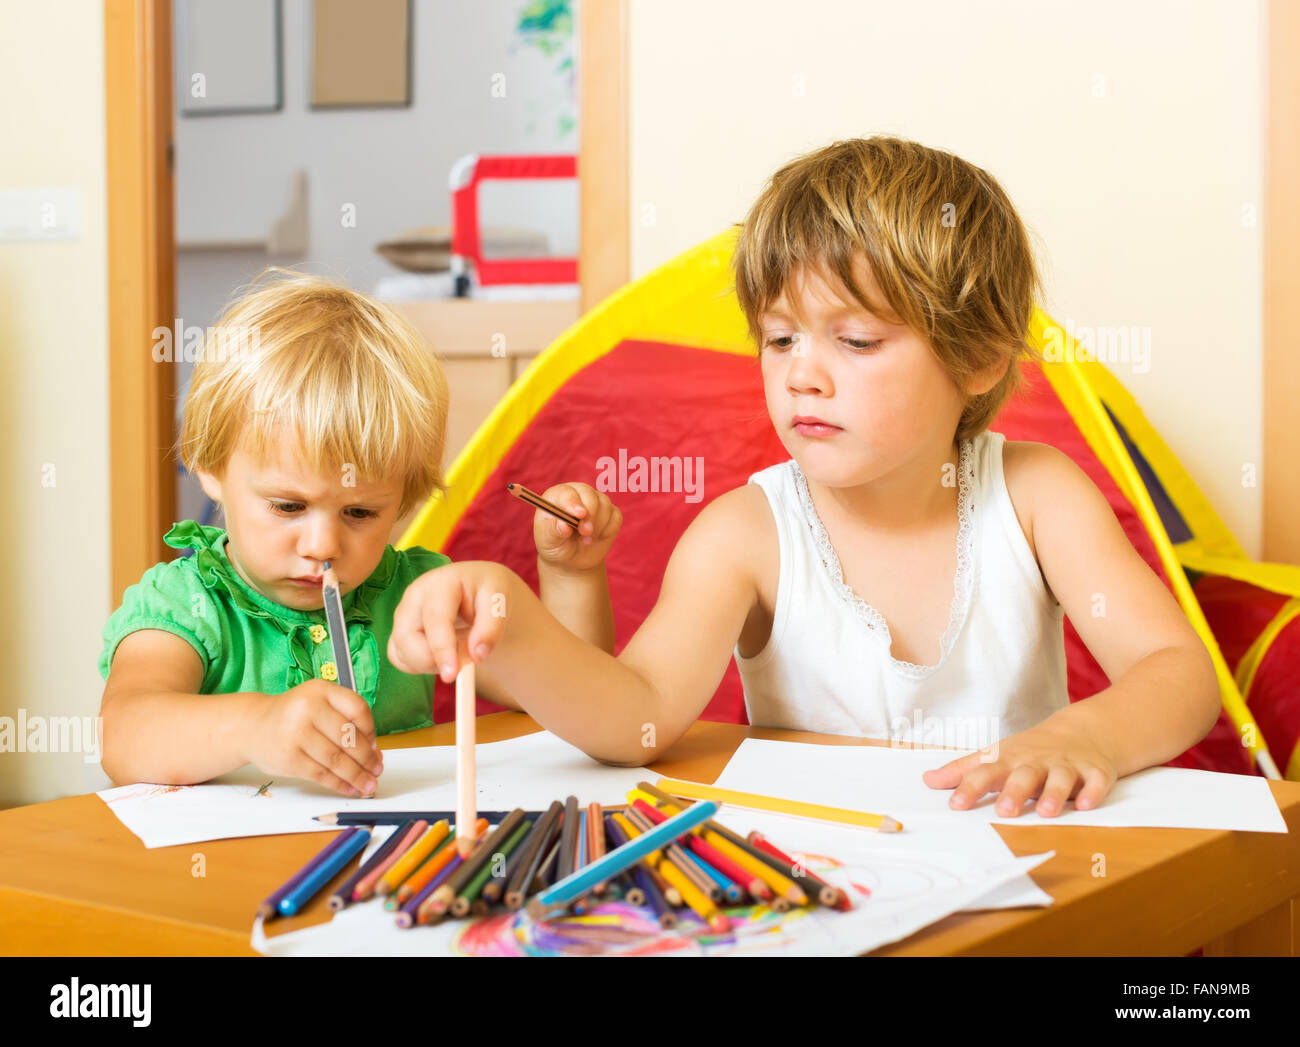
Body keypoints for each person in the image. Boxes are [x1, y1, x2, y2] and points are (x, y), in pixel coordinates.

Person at [387, 137, 1221, 817]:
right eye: (780, 339)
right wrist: (510, 612)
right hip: (825, 887)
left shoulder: (1038, 495)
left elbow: (1178, 672)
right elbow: (635, 716)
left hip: (1014, 874)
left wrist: (1090, 738)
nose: (800, 376)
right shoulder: (745, 534)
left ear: (977, 360)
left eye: (854, 342)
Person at [98, 271, 621, 798]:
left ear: (405, 499)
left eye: (360, 513)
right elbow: (123, 737)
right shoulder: (185, 605)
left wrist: (571, 573)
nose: (323, 545)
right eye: (288, 506)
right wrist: (257, 726)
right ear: (207, 465)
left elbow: (578, 701)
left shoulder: (424, 597)